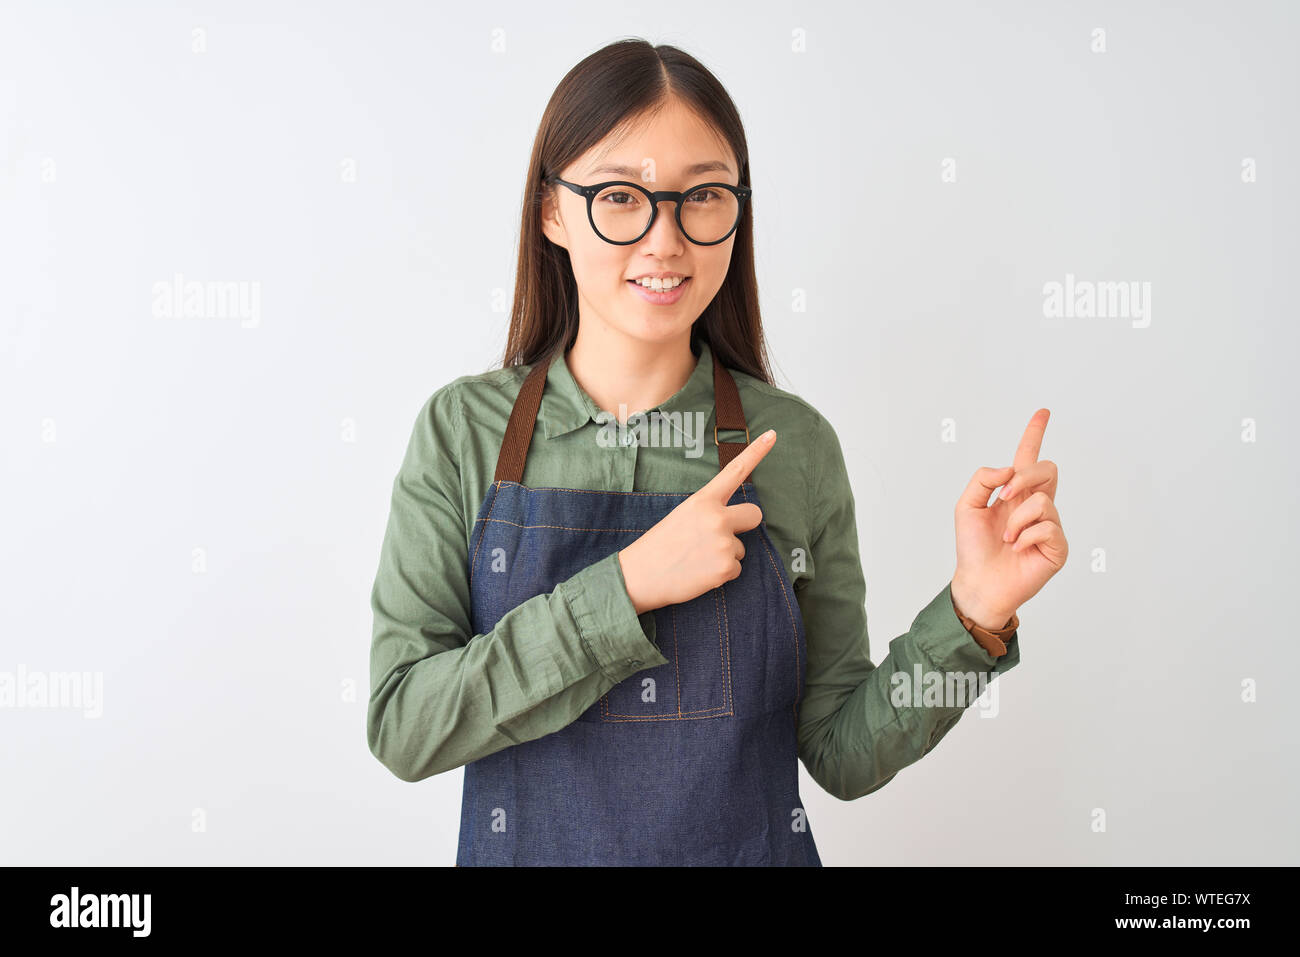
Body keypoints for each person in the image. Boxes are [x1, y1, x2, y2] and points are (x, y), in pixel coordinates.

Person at [366, 38, 1068, 866]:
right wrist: (624, 590)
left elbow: (843, 752)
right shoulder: (462, 433)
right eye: (622, 197)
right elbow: (404, 725)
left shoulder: (795, 445)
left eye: (701, 196)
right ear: (552, 210)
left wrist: (972, 616)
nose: (666, 240)